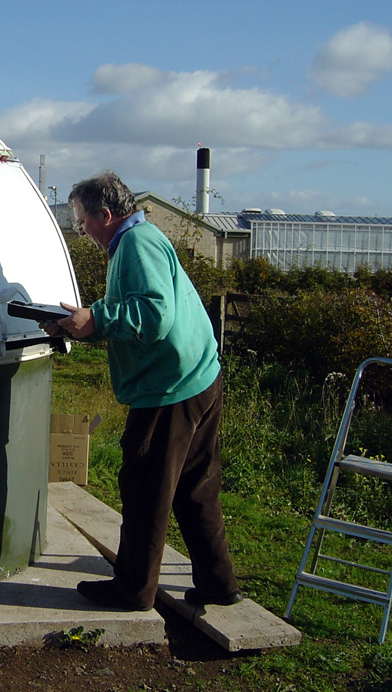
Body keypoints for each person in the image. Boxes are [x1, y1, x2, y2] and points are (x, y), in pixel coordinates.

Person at [40, 171, 242, 612]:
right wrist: (86, 323)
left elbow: (152, 316)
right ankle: (218, 584)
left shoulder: (134, 244)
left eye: (81, 221)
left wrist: (98, 318)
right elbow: (135, 318)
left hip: (168, 388)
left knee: (145, 489)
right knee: (195, 488)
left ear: (105, 215)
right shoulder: (140, 239)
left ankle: (132, 591)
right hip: (197, 376)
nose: (82, 231)